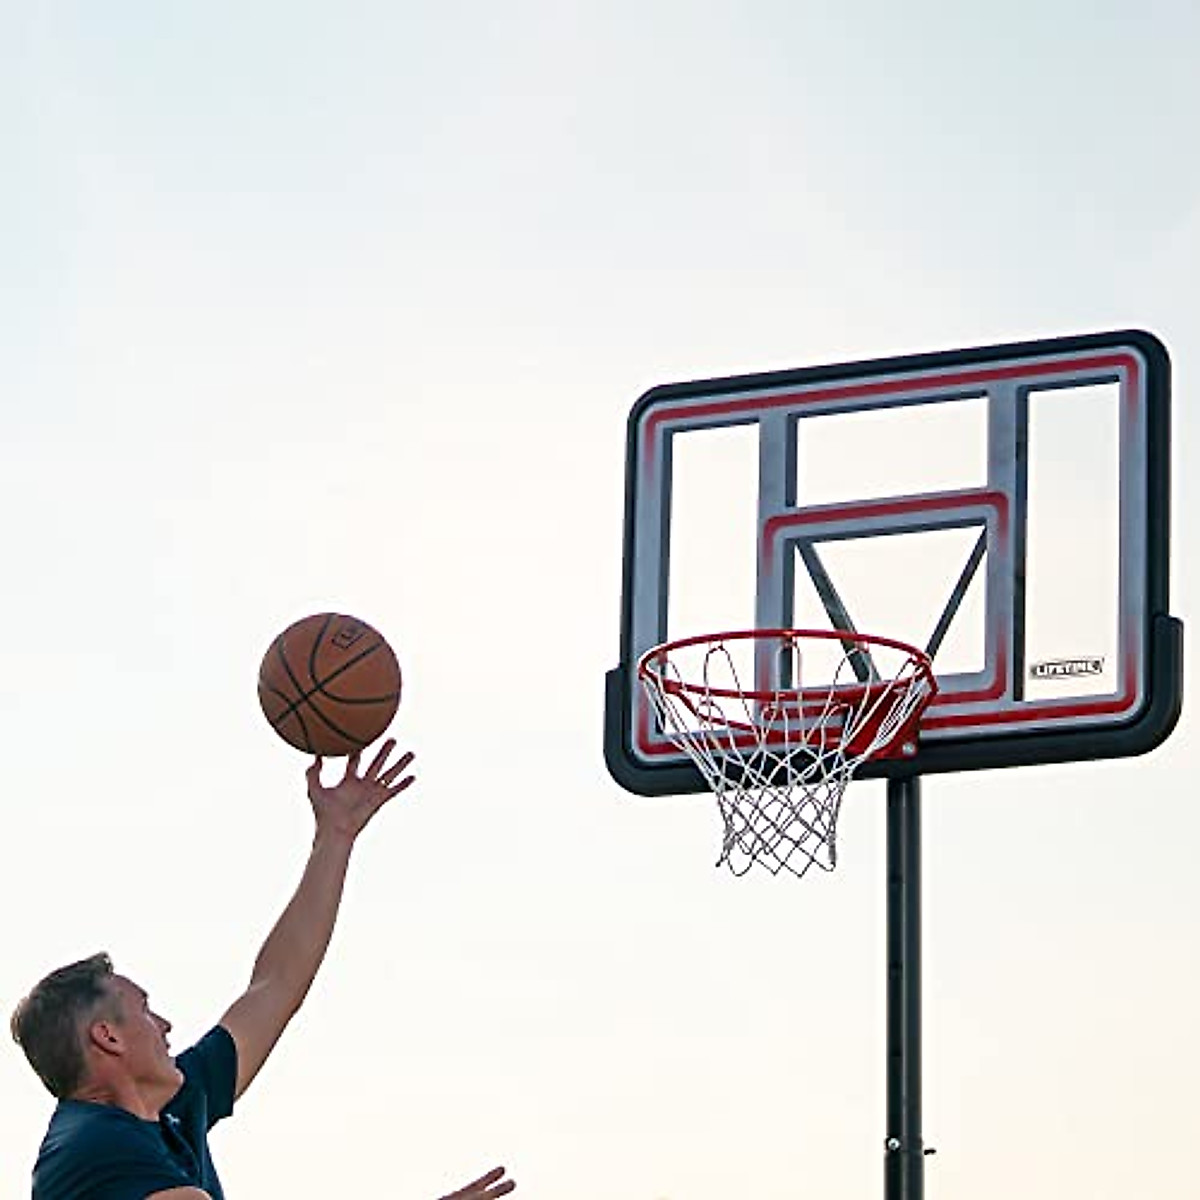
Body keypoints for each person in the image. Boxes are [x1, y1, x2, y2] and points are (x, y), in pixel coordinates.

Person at [11, 740, 516, 1200]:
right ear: (108, 1037)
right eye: (146, 1012)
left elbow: (275, 987)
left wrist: (335, 838)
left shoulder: (169, 1110)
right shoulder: (95, 1148)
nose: (165, 1026)